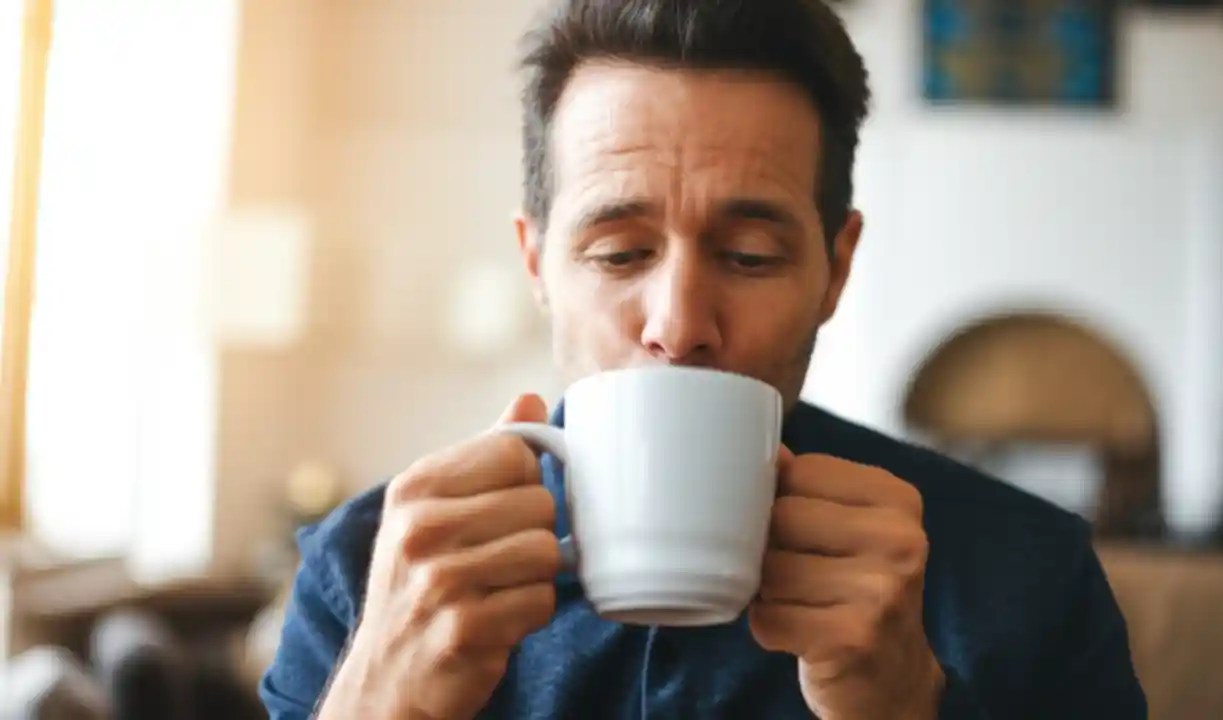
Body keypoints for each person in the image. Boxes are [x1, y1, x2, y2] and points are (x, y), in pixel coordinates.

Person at [259, 1, 1147, 718]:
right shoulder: (367, 574)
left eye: (750, 257)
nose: (679, 326)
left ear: (835, 271)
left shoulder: (1032, 579)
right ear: (536, 265)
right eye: (619, 254)